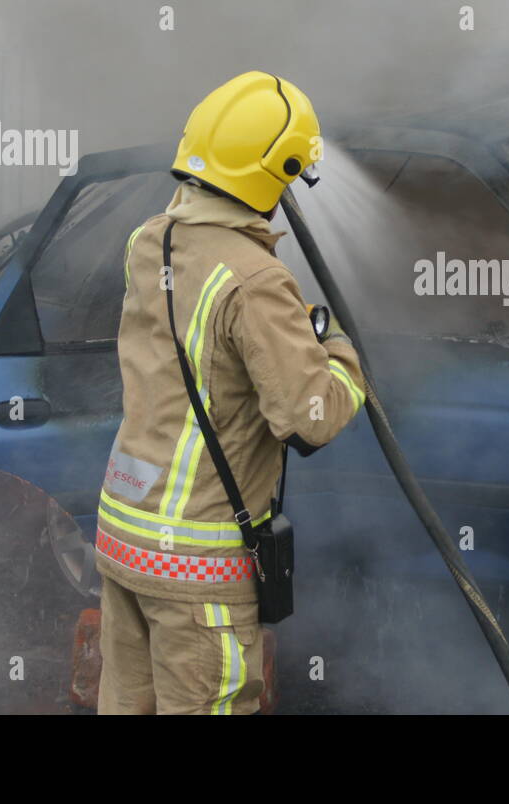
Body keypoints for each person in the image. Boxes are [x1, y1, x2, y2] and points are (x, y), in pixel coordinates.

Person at [96, 71, 366, 714]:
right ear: (279, 170)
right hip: (197, 567)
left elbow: (209, 351)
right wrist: (342, 355)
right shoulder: (254, 279)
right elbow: (309, 420)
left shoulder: (148, 240)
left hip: (124, 538)